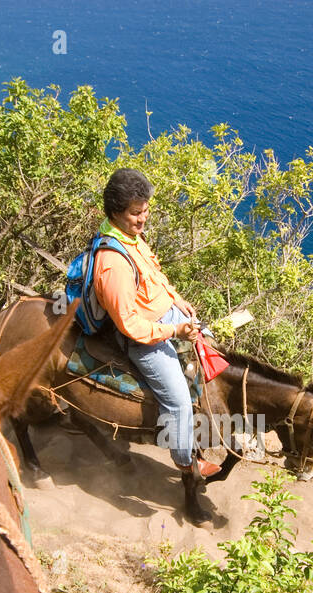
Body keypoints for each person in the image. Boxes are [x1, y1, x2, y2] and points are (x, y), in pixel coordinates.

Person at [91, 168, 220, 478]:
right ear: (115, 212)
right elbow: (129, 325)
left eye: (145, 210)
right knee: (177, 403)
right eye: (136, 213)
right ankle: (186, 461)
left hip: (166, 313)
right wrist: (175, 331)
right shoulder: (112, 263)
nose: (143, 218)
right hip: (144, 337)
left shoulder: (131, 236)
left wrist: (176, 298)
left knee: (211, 342)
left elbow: (154, 273)